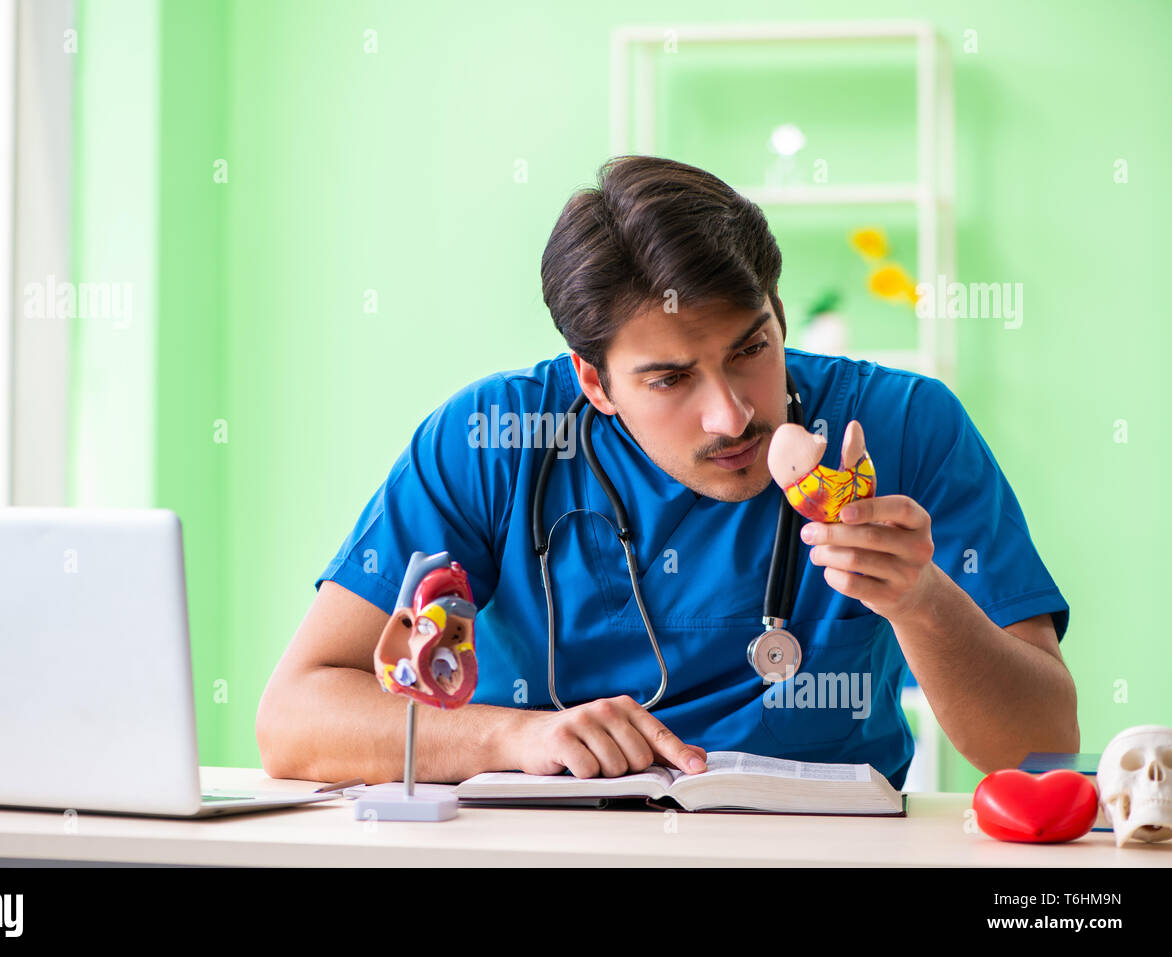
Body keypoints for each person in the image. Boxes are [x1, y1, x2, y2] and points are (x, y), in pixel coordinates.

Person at [256, 156, 1078, 791]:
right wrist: (511, 736)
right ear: (592, 380)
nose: (731, 415)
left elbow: (1041, 744)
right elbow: (294, 719)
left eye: (751, 349)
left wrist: (919, 598)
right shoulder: (493, 439)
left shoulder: (904, 425)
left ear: (779, 315)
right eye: (670, 378)